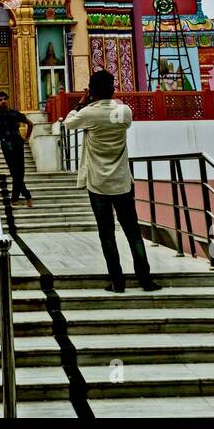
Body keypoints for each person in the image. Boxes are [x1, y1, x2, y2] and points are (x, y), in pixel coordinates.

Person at [64, 70, 160, 293]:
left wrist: (82, 102)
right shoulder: (124, 112)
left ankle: (117, 281)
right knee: (133, 231)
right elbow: (122, 117)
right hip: (122, 181)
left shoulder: (88, 113)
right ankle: (145, 278)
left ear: (92, 91)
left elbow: (68, 123)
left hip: (98, 183)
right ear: (113, 89)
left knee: (106, 233)